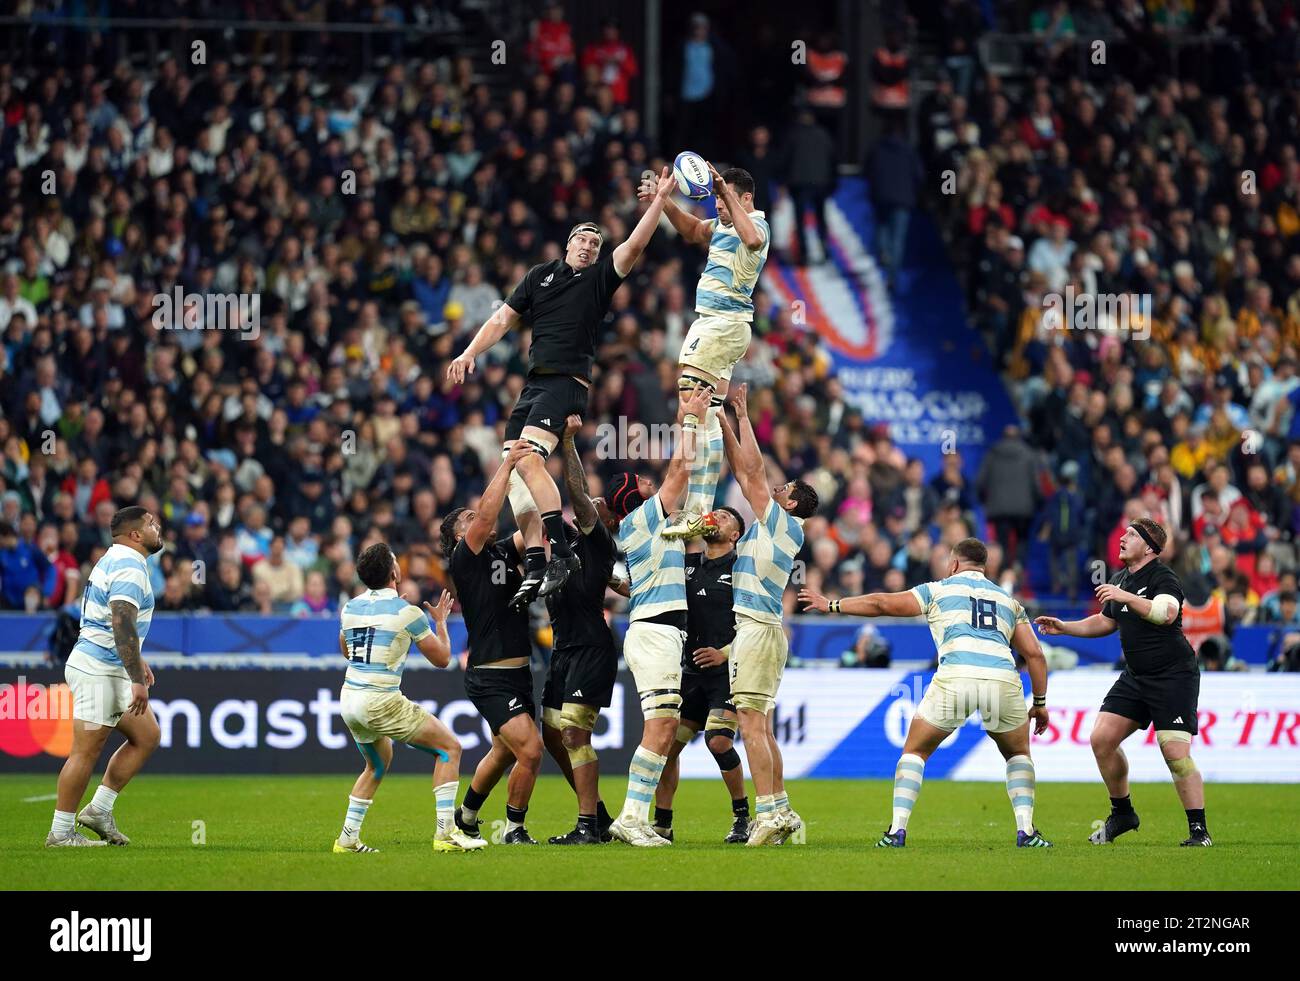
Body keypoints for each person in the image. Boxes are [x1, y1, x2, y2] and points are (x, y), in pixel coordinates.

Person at [447, 167, 677, 608]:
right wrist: (469, 352)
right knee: (513, 472)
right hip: (535, 386)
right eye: (584, 240)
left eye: (596, 243)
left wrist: (658, 203)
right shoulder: (540, 276)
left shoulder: (599, 279)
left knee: (529, 460)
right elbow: (501, 319)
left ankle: (562, 550)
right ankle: (537, 559)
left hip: (566, 385)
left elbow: (635, 245)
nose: (590, 246)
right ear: (568, 243)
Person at [801, 537, 1053, 848]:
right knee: (1017, 754)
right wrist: (1039, 703)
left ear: (955, 563)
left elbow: (882, 604)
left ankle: (897, 832)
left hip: (956, 676)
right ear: (984, 567)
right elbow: (1036, 655)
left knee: (916, 751)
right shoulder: (1008, 601)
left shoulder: (938, 589)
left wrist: (832, 604)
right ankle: (1026, 832)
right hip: (1002, 679)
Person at [1035, 517, 1212, 846]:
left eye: (1132, 534)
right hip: (1136, 675)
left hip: (1173, 675)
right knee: (1101, 739)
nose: (1123, 538)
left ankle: (1198, 831)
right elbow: (1105, 622)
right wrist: (1065, 627)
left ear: (1148, 547)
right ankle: (1123, 813)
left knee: (1174, 752)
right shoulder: (1120, 579)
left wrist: (1125, 596)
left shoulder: (1163, 577)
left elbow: (1166, 614)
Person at [637, 163, 770, 539]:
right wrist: (663, 203)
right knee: (707, 413)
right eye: (716, 199)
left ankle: (696, 508)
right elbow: (694, 230)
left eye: (724, 199)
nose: (719, 207)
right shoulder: (723, 224)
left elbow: (755, 242)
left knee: (690, 406)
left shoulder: (757, 223)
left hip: (721, 324)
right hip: (719, 326)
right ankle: (700, 511)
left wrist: (726, 195)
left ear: (745, 197)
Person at [607, 384, 713, 847]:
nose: (654, 486)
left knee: (665, 726)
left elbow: (700, 511)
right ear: (637, 500)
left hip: (657, 628)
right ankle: (631, 817)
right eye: (646, 488)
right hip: (655, 631)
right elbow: (680, 471)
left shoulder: (653, 529)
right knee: (662, 727)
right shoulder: (646, 518)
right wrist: (689, 419)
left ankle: (634, 816)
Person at [334, 543, 485, 854]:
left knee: (377, 763)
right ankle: (446, 834)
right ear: (394, 572)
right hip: (380, 700)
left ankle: (347, 838)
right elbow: (443, 659)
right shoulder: (408, 612)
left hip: (350, 699)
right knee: (449, 749)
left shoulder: (349, 608)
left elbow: (348, 651)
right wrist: (440, 622)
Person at [718, 384, 819, 845]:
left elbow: (753, 470)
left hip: (756, 631)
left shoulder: (784, 523)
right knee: (762, 725)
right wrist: (725, 422)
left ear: (793, 504)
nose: (777, 490)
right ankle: (782, 810)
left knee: (751, 726)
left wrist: (740, 411)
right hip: (762, 631)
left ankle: (766, 815)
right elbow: (745, 473)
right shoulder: (774, 525)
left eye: (786, 490)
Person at [440, 442, 545, 845]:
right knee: (531, 751)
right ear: (458, 536)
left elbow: (533, 523)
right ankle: (514, 828)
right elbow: (486, 512)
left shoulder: (501, 552)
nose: (478, 517)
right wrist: (507, 463)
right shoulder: (465, 559)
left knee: (502, 751)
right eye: (467, 518)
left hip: (519, 674)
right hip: (490, 676)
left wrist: (529, 474)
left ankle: (465, 817)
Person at [47, 506, 163, 847]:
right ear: (136, 535)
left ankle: (98, 810)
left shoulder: (116, 559)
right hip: (99, 670)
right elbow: (121, 622)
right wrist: (137, 680)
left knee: (147, 735)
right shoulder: (129, 565)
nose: (159, 528)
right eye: (151, 524)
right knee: (85, 751)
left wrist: (136, 662)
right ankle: (61, 832)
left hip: (108, 667)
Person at [542, 415, 626, 845]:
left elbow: (575, 494)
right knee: (552, 734)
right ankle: (599, 816)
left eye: (600, 505)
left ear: (607, 519)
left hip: (591, 648)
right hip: (564, 649)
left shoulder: (598, 541)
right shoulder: (569, 542)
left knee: (574, 733)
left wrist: (568, 442)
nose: (593, 502)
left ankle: (587, 827)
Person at [653, 505, 750, 844]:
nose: (715, 519)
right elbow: (653, 589)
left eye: (725, 517)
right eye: (714, 515)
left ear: (735, 535)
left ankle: (742, 818)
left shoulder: (742, 568)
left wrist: (723, 652)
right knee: (665, 747)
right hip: (690, 673)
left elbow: (757, 625)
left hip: (727, 673)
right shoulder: (687, 564)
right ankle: (662, 824)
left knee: (718, 740)